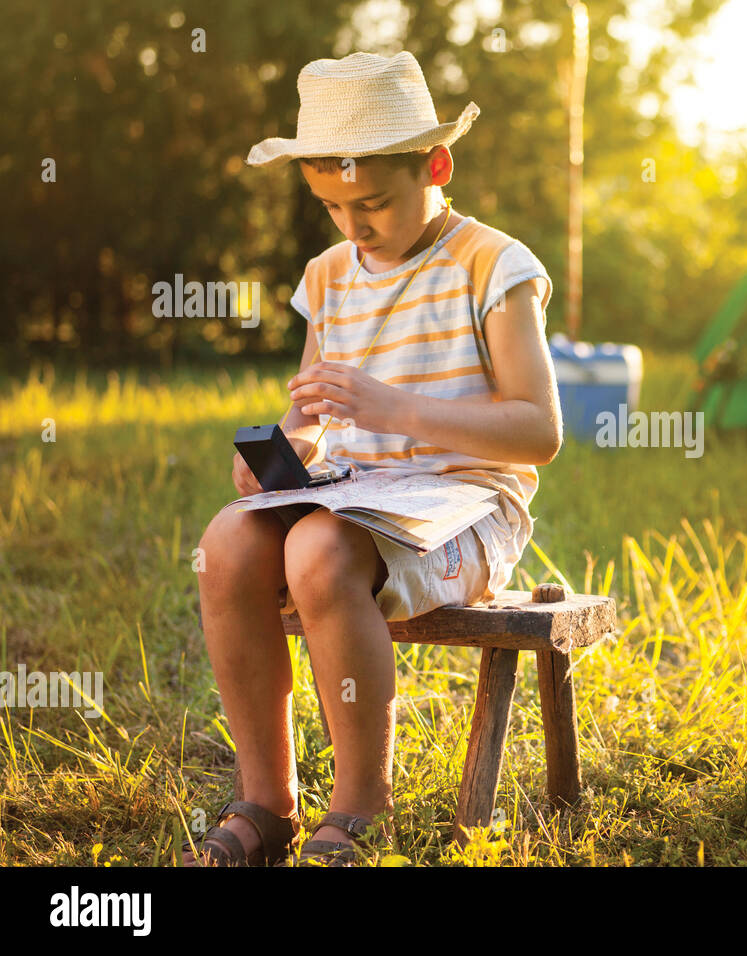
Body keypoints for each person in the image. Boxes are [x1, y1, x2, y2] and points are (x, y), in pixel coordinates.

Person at [184, 51, 562, 866]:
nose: (354, 227)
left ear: (436, 165)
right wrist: (286, 449)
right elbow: (318, 414)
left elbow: (539, 432)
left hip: (467, 505)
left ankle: (360, 807)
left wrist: (394, 408)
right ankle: (267, 800)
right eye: (331, 206)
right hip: (358, 493)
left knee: (318, 550)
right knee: (224, 545)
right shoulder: (328, 277)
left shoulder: (493, 266)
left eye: (374, 204)